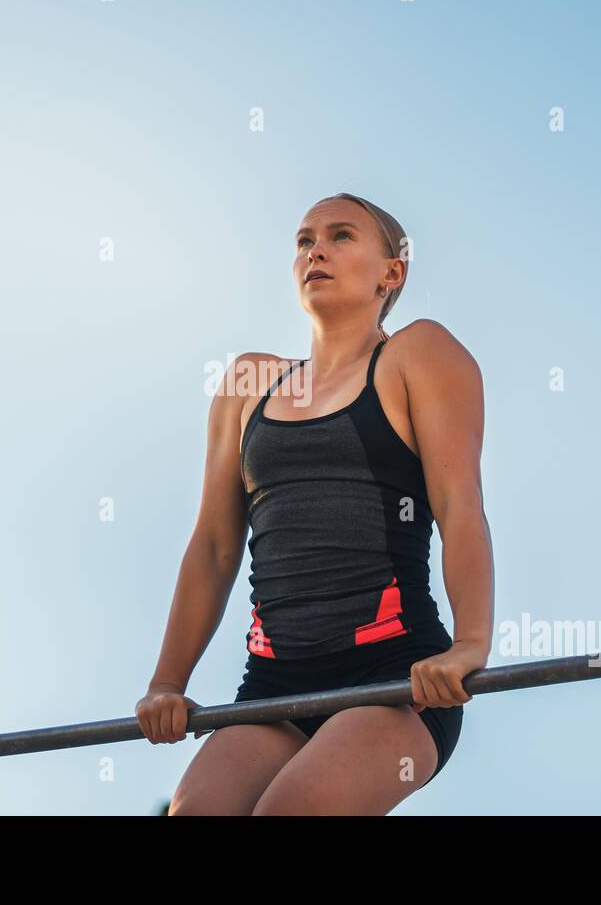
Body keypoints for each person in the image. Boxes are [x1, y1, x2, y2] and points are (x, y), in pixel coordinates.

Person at [135, 192, 493, 815]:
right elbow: (215, 545)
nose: (316, 250)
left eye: (341, 235)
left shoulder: (418, 353)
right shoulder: (248, 381)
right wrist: (168, 682)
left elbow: (460, 506)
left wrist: (470, 645)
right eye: (304, 240)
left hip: (393, 677)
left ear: (393, 272)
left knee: (291, 811)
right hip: (275, 683)